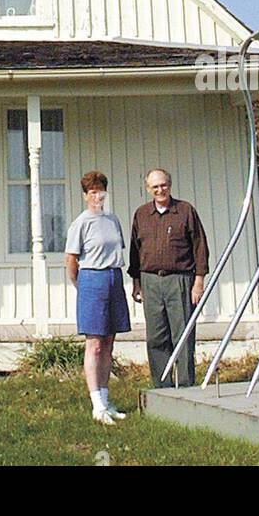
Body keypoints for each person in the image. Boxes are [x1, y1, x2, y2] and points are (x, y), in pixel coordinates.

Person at [129, 168, 209, 388]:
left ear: (170, 185)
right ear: (148, 189)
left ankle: (185, 387)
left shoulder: (184, 211)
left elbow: (200, 247)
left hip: (180, 280)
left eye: (163, 185)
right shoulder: (141, 214)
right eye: (155, 187)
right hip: (150, 281)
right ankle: (162, 387)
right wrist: (136, 282)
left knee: (182, 335)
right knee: (156, 337)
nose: (160, 190)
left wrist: (198, 281)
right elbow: (135, 252)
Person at [64, 169, 131, 424]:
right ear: (85, 195)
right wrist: (81, 285)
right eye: (92, 193)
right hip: (91, 279)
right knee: (94, 344)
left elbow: (118, 250)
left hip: (114, 278)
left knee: (109, 342)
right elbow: (70, 261)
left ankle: (105, 399)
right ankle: (96, 405)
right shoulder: (80, 223)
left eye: (100, 192)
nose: (97, 197)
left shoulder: (113, 220)